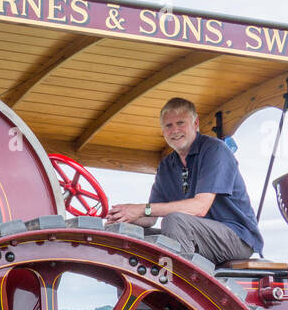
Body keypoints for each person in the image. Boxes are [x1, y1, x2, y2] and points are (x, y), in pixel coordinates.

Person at [105, 97, 263, 266]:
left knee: (174, 221)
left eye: (180, 123)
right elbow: (151, 217)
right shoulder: (167, 165)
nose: (175, 130)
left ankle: (183, 289)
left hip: (237, 237)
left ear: (195, 124)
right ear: (163, 131)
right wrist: (123, 215)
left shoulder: (215, 150)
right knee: (127, 235)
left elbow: (199, 208)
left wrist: (143, 209)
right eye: (168, 126)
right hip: (196, 234)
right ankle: (139, 291)